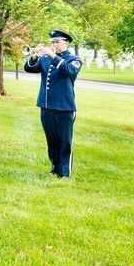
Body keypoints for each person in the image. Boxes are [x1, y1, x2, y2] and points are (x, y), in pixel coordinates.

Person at [23, 30, 82, 178]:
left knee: (64, 141)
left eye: (57, 42)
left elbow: (69, 71)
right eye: (52, 42)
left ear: (65, 43)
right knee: (52, 140)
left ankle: (65, 172)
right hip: (46, 105)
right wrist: (34, 55)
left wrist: (51, 55)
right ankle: (55, 169)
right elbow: (29, 68)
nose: (54, 44)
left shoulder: (74, 59)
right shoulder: (45, 58)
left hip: (64, 107)